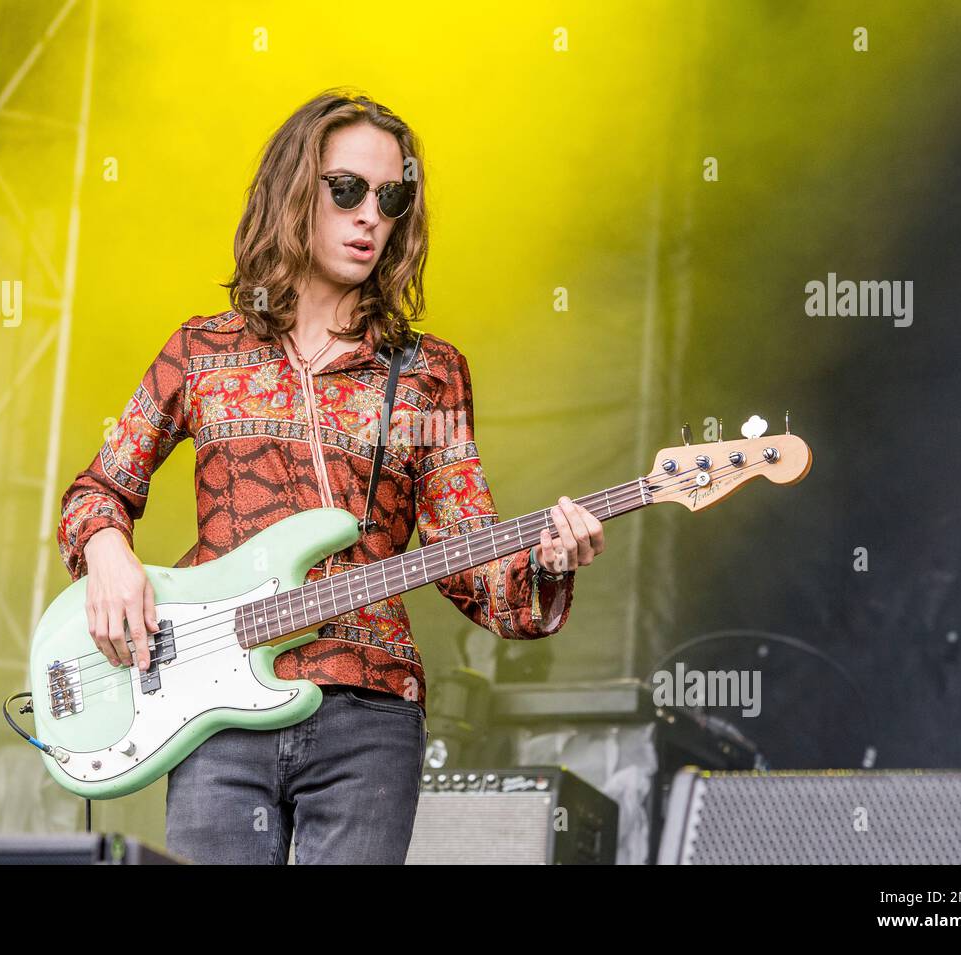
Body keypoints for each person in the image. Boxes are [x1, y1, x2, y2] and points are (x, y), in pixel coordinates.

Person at [56, 88, 606, 864]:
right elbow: (94, 493)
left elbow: (476, 563)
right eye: (347, 189)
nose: (370, 216)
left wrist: (546, 562)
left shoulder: (428, 372)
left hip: (369, 715)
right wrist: (109, 554)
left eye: (392, 197)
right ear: (294, 190)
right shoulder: (203, 350)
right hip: (214, 711)